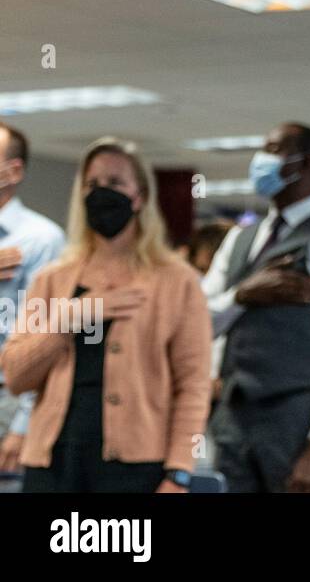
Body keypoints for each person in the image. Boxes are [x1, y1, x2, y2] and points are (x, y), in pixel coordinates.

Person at [0, 137, 211, 492]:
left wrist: (179, 471)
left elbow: (193, 385)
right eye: (92, 184)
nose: (102, 193)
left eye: (115, 183)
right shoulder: (52, 278)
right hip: (53, 461)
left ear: (139, 195)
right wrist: (70, 319)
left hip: (137, 466)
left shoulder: (177, 280)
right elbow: (17, 376)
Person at [203, 123, 310, 492]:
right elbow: (199, 322)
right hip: (233, 419)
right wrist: (242, 295)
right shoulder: (238, 239)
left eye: (273, 150)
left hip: (297, 423)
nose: (260, 160)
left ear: (306, 162)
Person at [0, 122, 66, 472]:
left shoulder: (41, 239)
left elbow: (46, 339)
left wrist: (23, 424)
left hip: (6, 399)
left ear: (14, 170)